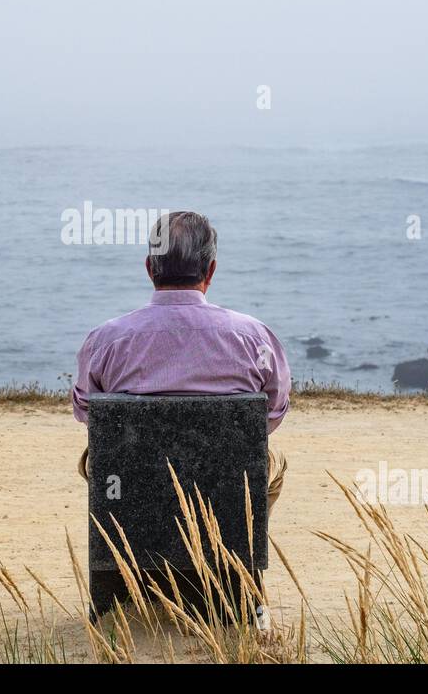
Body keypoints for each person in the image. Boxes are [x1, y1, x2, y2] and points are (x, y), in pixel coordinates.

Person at [71, 210, 291, 509]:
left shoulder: (106, 341)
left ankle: (129, 535)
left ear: (150, 268)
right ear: (210, 271)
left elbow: (89, 411)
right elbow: (273, 411)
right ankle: (241, 541)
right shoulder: (254, 338)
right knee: (272, 463)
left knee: (96, 458)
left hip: (135, 474)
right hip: (227, 472)